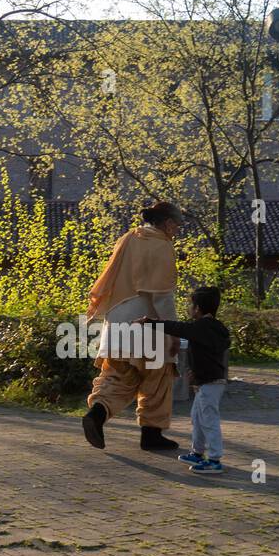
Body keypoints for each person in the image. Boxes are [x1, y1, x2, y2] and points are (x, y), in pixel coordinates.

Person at [81, 200, 184, 451]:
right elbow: (161, 295)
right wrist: (173, 330)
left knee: (118, 376)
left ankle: (97, 413)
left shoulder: (127, 238)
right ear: (168, 223)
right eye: (177, 226)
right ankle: (151, 434)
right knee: (158, 376)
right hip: (146, 321)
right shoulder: (161, 245)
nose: (178, 231)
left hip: (115, 321)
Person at [139, 286, 229, 473]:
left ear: (197, 308)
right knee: (197, 418)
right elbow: (205, 351)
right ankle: (197, 453)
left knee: (209, 420)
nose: (189, 308)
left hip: (210, 383)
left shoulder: (201, 327)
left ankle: (214, 459)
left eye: (191, 304)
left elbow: (177, 328)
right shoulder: (214, 328)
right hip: (207, 383)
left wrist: (149, 322)